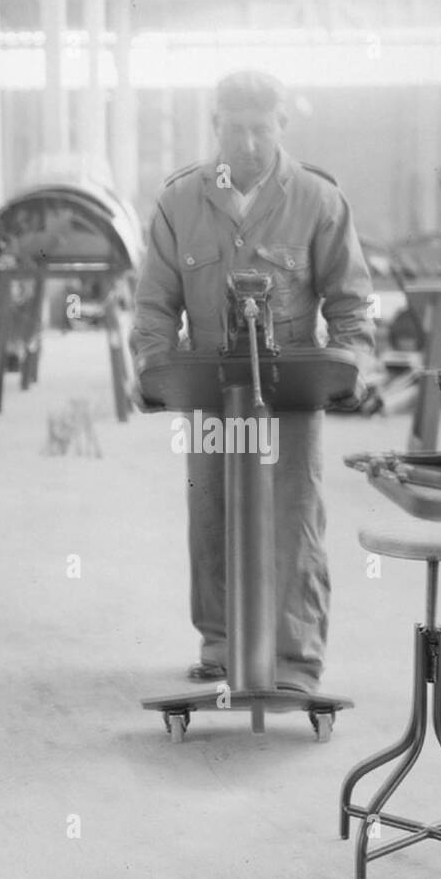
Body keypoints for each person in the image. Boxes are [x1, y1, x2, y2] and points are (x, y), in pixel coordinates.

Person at [129, 70, 377, 693]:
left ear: (281, 127)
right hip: (210, 393)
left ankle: (293, 661)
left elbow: (352, 300)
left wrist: (350, 365)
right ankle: (221, 646)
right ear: (215, 127)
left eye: (260, 129)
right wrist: (155, 368)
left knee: (292, 520)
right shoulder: (180, 202)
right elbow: (155, 301)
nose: (246, 143)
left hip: (291, 394)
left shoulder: (318, 201)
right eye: (234, 129)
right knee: (211, 516)